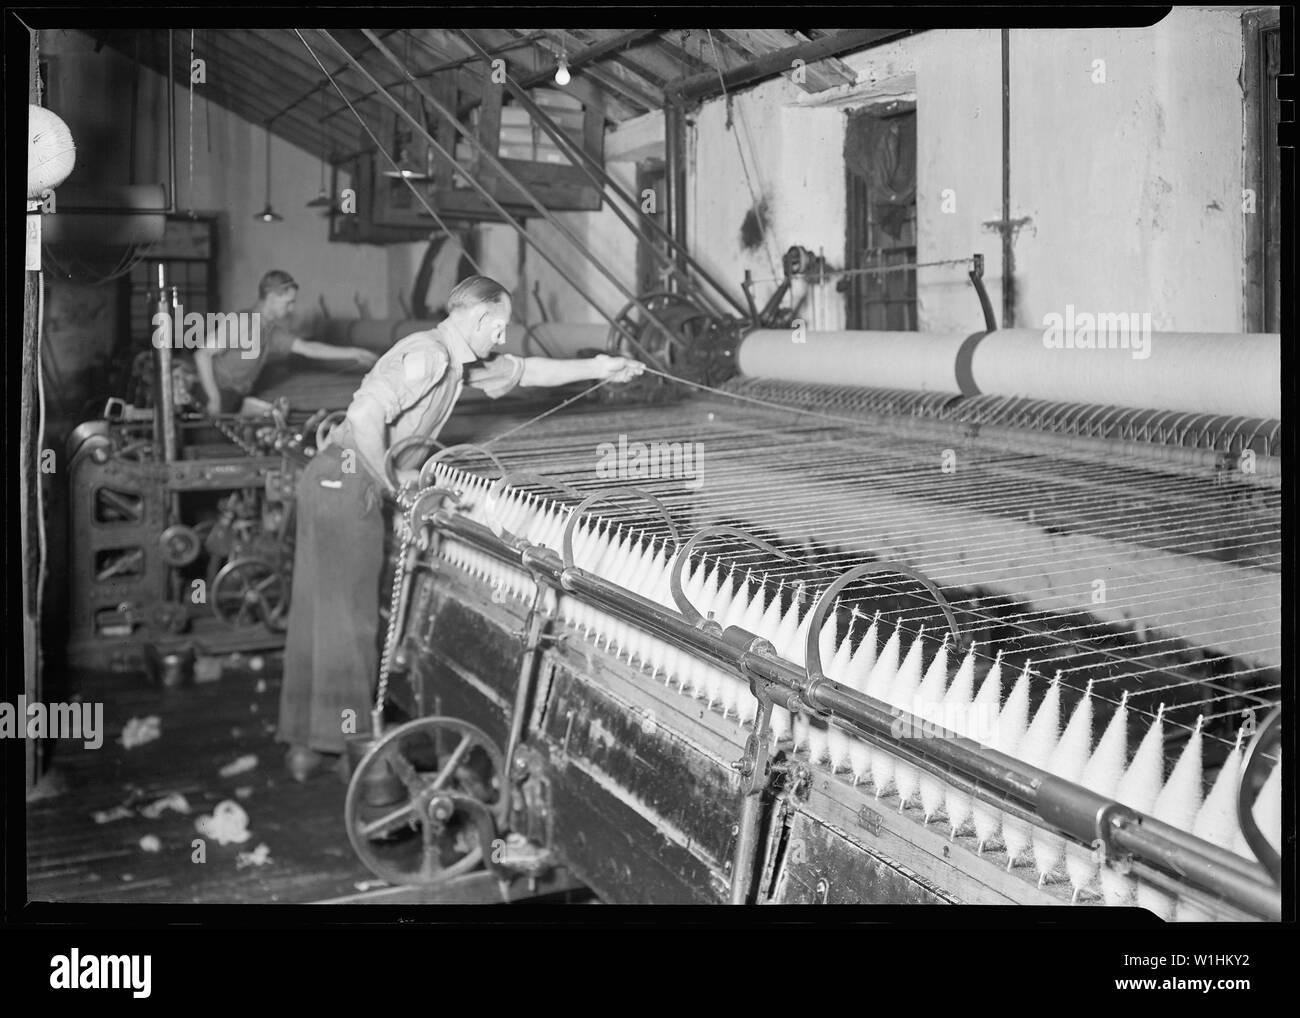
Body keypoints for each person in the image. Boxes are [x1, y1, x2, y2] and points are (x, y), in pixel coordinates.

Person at [277, 275, 644, 780]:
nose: (504, 336)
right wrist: (395, 485)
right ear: (478, 319)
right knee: (351, 619)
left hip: (329, 478)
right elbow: (364, 414)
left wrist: (600, 367)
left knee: (320, 610)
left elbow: (526, 372)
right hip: (347, 483)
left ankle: (307, 746)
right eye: (501, 326)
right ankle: (360, 751)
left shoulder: (454, 361)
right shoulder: (429, 355)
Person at [193, 269, 378, 415]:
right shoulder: (244, 322)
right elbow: (202, 354)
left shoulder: (271, 331)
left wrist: (353, 353)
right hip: (211, 392)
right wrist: (213, 398)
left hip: (234, 395)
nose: (291, 308)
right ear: (272, 297)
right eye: (288, 302)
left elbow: (308, 348)